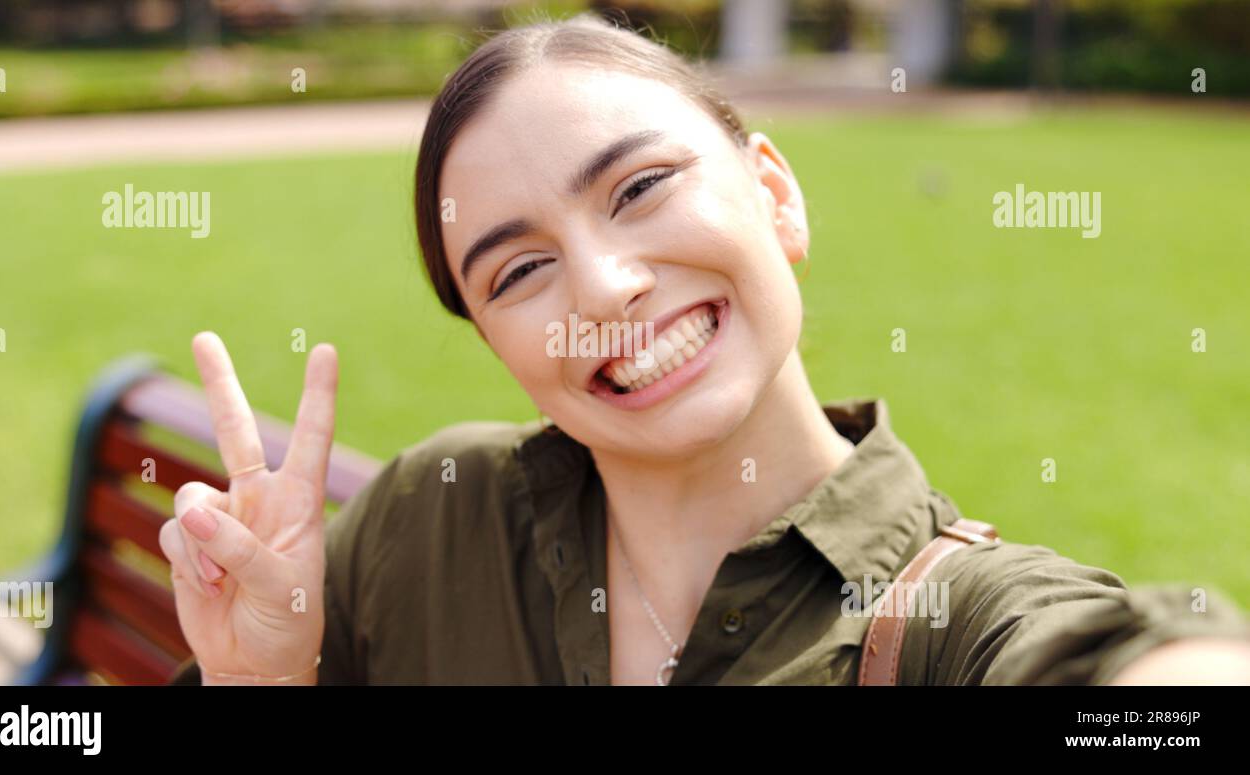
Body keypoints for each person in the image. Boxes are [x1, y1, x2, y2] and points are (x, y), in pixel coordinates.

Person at [164, 13, 1250, 686]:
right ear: (494, 340)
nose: (606, 284)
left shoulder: (949, 622)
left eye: (639, 189)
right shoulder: (427, 520)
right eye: (518, 270)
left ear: (774, 195)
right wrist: (260, 678)